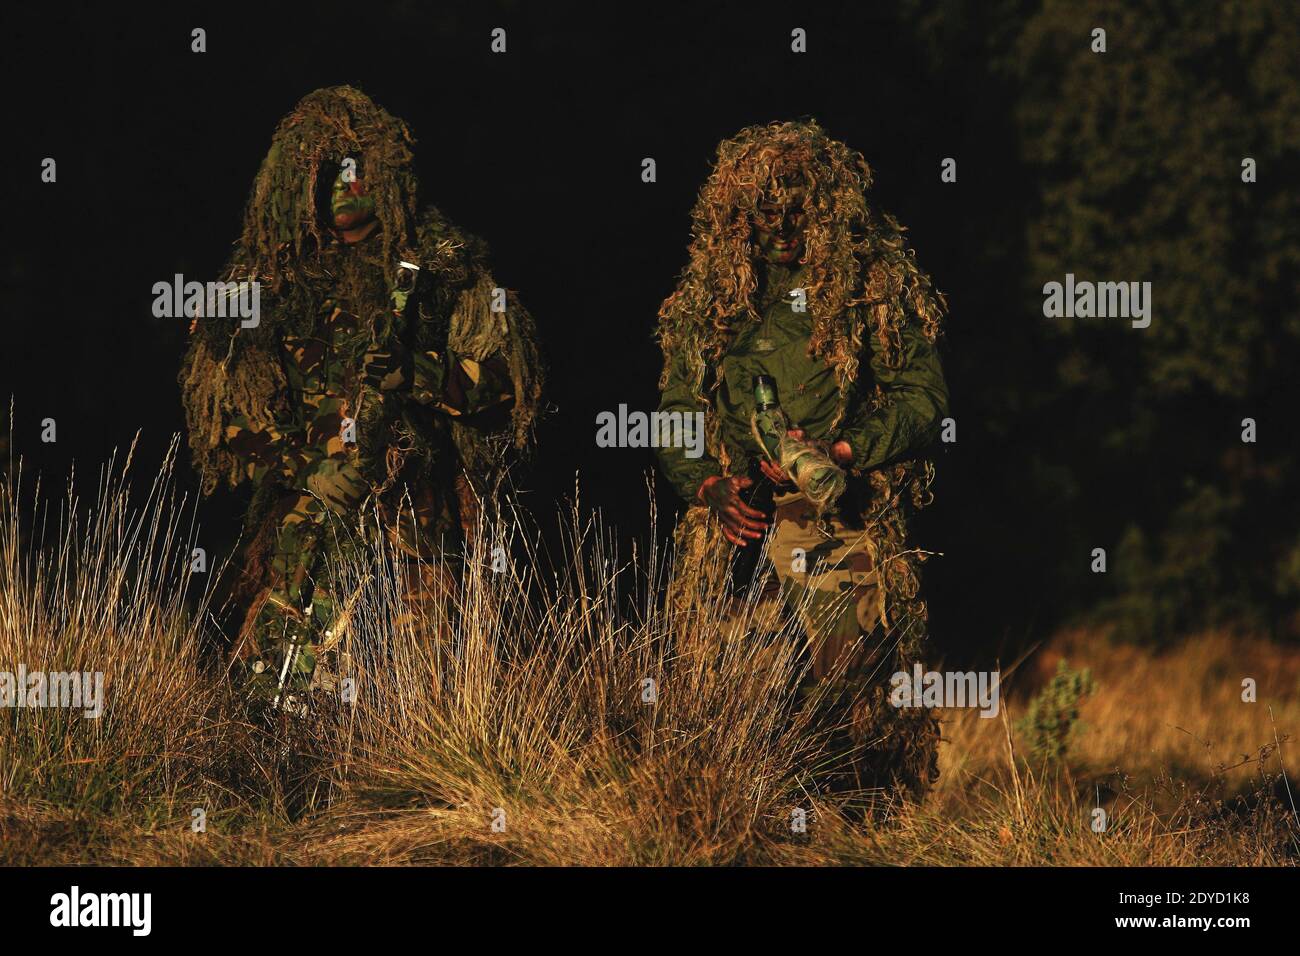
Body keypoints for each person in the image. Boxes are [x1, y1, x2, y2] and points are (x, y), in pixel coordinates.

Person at [179, 86, 543, 708]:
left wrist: (420, 375)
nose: (343, 192)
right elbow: (226, 415)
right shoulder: (264, 281)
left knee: (424, 673)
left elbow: (509, 385)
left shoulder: (444, 266)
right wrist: (303, 463)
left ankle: (416, 778)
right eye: (327, 179)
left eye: (358, 176)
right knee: (277, 673)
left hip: (415, 506)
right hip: (303, 512)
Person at [655, 119, 949, 803]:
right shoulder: (713, 295)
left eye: (798, 210)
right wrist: (708, 487)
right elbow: (676, 405)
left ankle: (849, 822)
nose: (783, 227)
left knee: (850, 691)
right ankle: (736, 820)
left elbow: (921, 396)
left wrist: (844, 451)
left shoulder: (872, 284)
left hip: (837, 519)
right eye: (766, 211)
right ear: (737, 215)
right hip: (739, 515)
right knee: (723, 683)